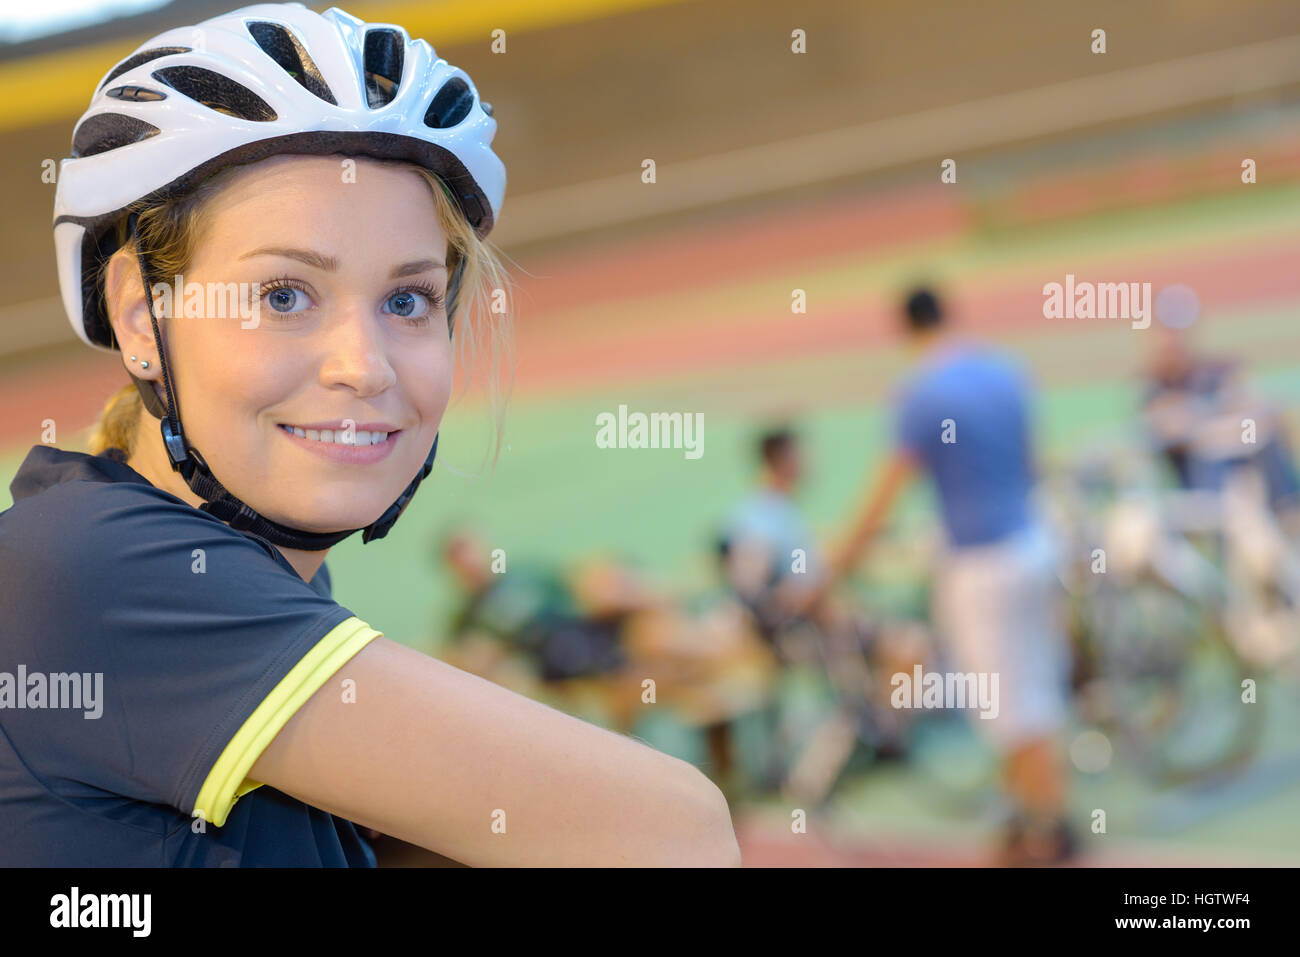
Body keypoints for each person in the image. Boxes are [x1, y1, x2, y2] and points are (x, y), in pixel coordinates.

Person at [0, 3, 739, 868]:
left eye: (407, 300)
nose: (365, 365)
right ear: (139, 315)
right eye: (283, 295)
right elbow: (676, 836)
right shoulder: (94, 571)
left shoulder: (182, 569)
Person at [803, 286, 1076, 865]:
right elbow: (1032, 462)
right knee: (1037, 692)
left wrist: (829, 573)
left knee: (1008, 708)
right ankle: (1035, 819)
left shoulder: (921, 393)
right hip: (1033, 545)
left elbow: (884, 497)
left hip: (982, 567)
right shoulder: (1005, 369)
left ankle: (1044, 833)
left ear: (905, 329)